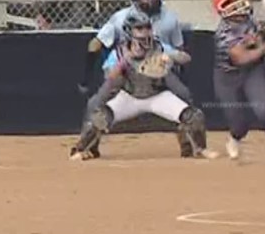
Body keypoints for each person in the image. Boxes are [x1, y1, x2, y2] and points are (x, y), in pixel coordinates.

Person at [69, 10, 217, 161]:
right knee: (99, 117)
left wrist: (170, 57)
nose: (145, 32)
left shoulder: (158, 46)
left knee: (194, 115)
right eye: (139, 29)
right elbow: (110, 77)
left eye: (147, 28)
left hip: (157, 94)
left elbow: (186, 58)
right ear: (128, 31)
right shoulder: (120, 51)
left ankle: (199, 148)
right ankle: (82, 149)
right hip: (129, 95)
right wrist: (126, 60)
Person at [81, 0, 195, 157]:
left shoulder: (170, 18)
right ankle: (89, 144)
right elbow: (95, 45)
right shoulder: (120, 19)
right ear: (135, 0)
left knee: (184, 95)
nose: (150, 0)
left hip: (158, 67)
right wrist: (93, 74)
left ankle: (188, 140)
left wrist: (176, 69)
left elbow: (179, 50)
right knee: (96, 103)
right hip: (126, 69)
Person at [211, 0, 265, 165]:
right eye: (231, 4)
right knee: (239, 123)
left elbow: (252, 41)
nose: (238, 7)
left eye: (237, 1)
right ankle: (234, 138)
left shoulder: (248, 19)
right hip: (228, 78)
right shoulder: (224, 34)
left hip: (251, 72)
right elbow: (242, 58)